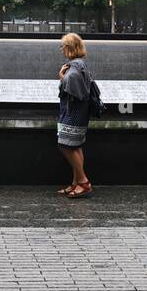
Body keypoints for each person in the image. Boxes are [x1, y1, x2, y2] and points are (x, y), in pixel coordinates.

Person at [56, 33, 96, 198]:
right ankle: (76, 183)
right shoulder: (81, 64)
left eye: (63, 46)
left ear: (69, 48)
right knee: (75, 146)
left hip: (73, 113)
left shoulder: (72, 71)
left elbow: (74, 92)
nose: (62, 49)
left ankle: (84, 182)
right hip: (80, 113)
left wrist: (61, 78)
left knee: (64, 145)